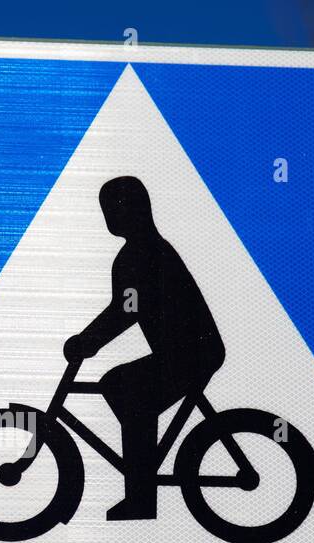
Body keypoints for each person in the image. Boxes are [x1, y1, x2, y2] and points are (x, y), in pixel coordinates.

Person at [63, 176, 225, 520]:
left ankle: (140, 496)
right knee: (117, 386)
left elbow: (126, 310)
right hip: (183, 352)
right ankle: (142, 468)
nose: (109, 216)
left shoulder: (143, 253)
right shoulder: (139, 251)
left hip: (193, 353)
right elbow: (126, 307)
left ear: (136, 210)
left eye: (115, 208)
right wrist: (88, 342)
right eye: (106, 209)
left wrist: (86, 343)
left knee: (129, 392)